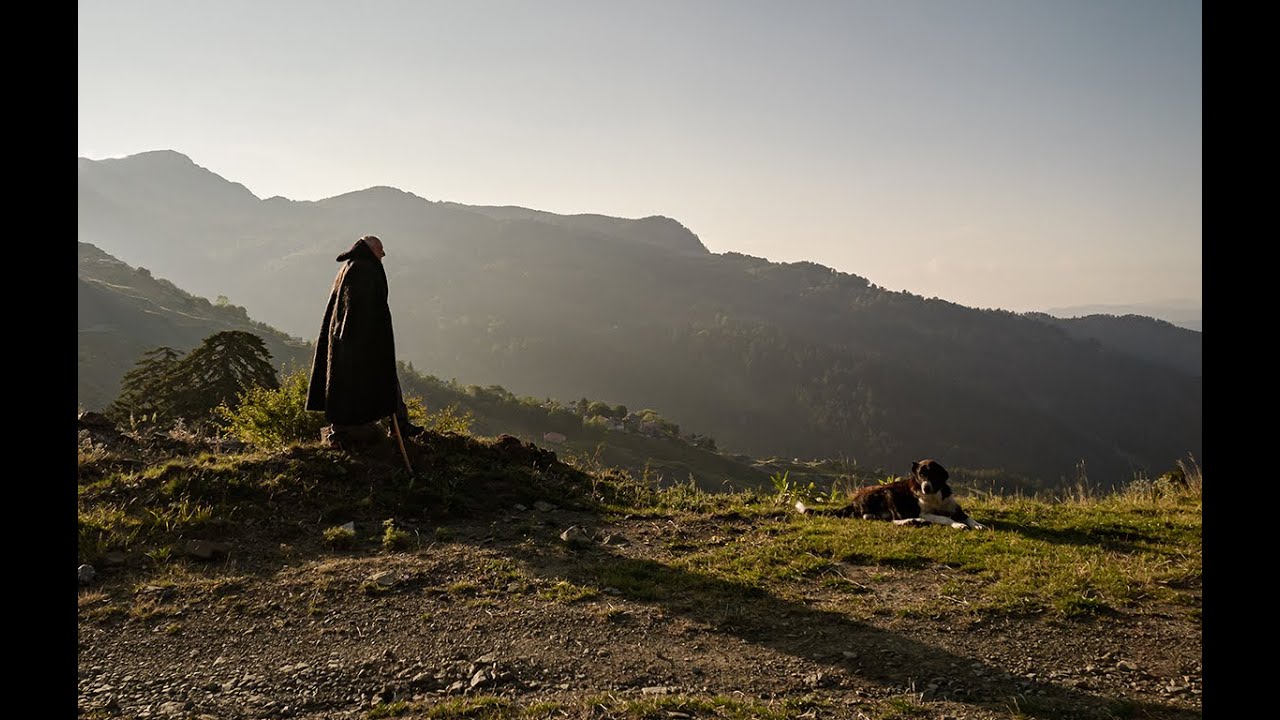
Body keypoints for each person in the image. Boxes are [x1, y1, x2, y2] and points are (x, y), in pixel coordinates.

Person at [305, 234, 425, 443]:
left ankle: (395, 424)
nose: (383, 254)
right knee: (384, 381)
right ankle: (399, 426)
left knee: (365, 384)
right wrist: (366, 339)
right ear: (370, 250)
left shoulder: (350, 269)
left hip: (352, 342)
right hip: (361, 343)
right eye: (380, 249)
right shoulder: (363, 270)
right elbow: (358, 311)